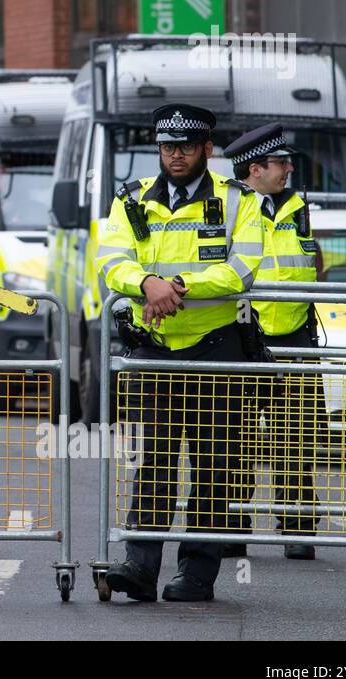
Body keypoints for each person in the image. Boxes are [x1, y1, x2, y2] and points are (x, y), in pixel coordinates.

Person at [95, 103, 265, 603]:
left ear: (206, 150)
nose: (175, 155)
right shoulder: (131, 199)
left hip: (217, 347)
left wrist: (176, 286)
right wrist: (145, 282)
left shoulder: (241, 202)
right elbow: (110, 260)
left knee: (214, 464)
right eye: (168, 146)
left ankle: (196, 574)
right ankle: (139, 566)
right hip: (155, 347)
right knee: (153, 461)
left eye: (186, 147)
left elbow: (241, 270)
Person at [224, 122, 321, 561]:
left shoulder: (299, 205)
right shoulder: (231, 205)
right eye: (281, 163)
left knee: (295, 437)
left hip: (296, 339)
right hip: (245, 334)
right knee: (235, 437)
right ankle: (230, 525)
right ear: (255, 168)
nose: (288, 170)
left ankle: (298, 525)